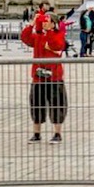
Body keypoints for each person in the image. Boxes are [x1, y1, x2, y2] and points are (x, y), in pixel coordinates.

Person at [21, 12, 68, 144]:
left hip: (54, 77)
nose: (44, 23)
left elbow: (56, 45)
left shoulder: (58, 34)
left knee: (57, 104)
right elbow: (25, 38)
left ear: (53, 23)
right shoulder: (38, 36)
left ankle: (57, 133)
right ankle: (37, 133)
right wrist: (32, 24)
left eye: (47, 21)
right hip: (38, 77)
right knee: (36, 105)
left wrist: (49, 32)